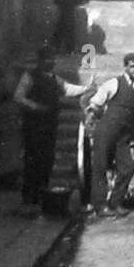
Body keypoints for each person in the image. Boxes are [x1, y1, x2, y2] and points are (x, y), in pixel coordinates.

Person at [15, 47, 90, 215]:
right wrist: (36, 107)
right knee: (32, 162)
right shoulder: (29, 76)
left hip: (50, 125)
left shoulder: (54, 79)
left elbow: (68, 89)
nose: (52, 62)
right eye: (49, 59)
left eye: (53, 59)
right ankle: (29, 199)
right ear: (41, 61)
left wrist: (87, 87)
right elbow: (19, 97)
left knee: (47, 161)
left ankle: (41, 197)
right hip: (34, 126)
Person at [86, 53, 134, 218]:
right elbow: (96, 101)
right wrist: (91, 118)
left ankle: (115, 202)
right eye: (132, 66)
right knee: (100, 166)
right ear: (126, 67)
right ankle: (100, 206)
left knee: (128, 167)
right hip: (107, 129)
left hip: (124, 133)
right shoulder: (114, 83)